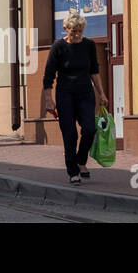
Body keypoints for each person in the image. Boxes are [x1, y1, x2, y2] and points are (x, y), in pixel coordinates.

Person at [43, 10, 109, 183]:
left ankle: (81, 160)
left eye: (80, 31)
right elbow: (48, 75)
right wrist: (49, 99)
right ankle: (73, 171)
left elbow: (94, 71)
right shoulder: (58, 47)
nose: (78, 35)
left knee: (90, 129)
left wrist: (101, 93)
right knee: (70, 134)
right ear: (66, 29)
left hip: (85, 94)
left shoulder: (89, 45)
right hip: (65, 95)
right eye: (74, 32)